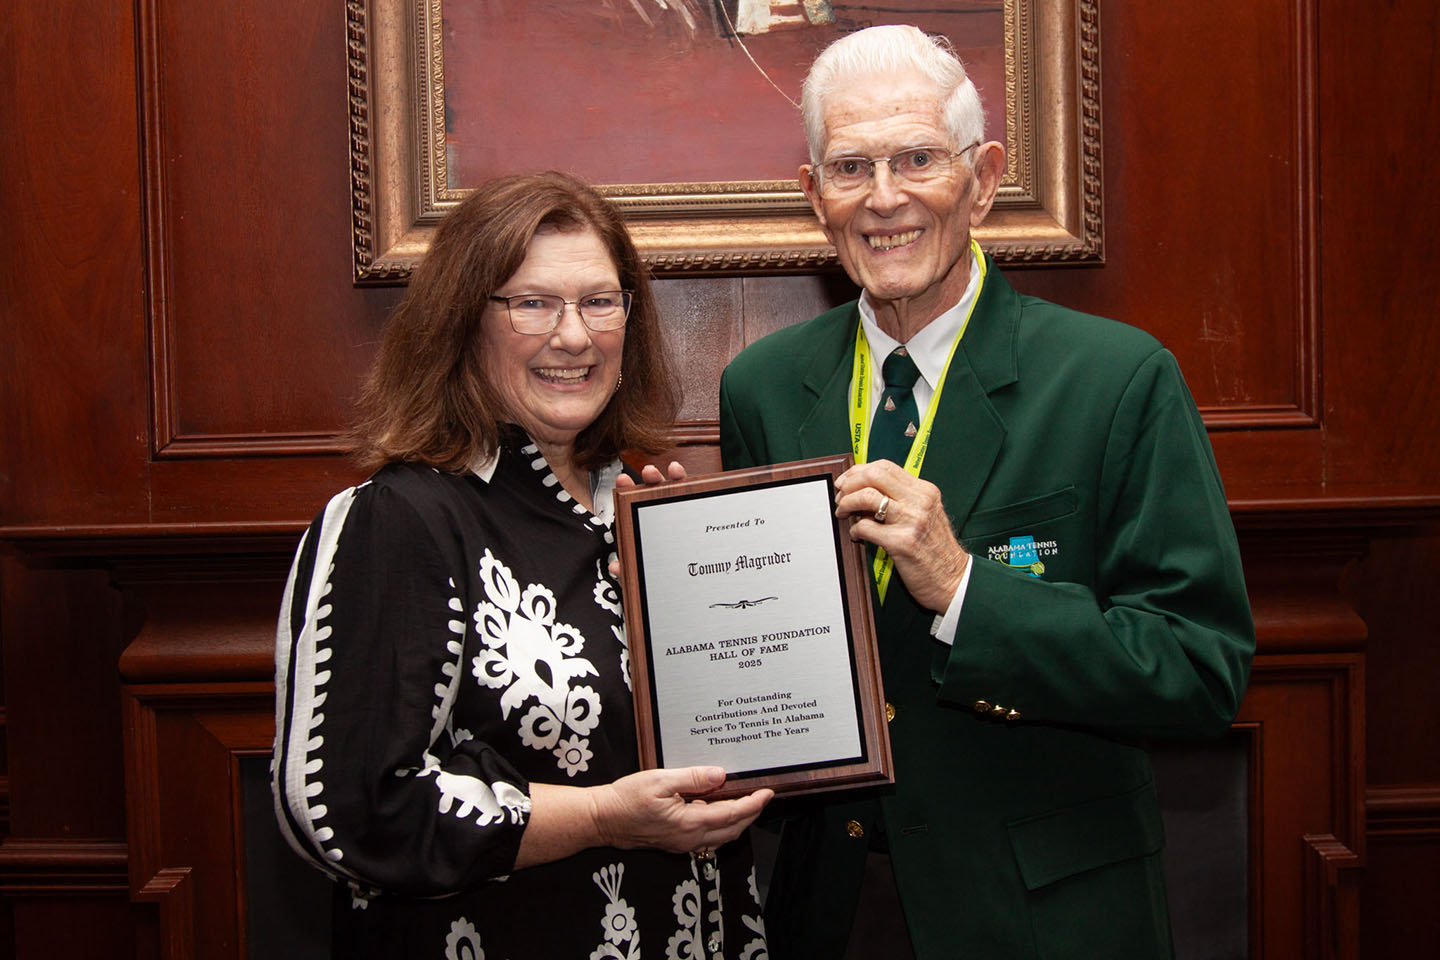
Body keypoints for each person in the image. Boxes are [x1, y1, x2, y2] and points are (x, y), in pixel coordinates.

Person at [718, 25, 1255, 960]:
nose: (884, 198)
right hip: (833, 913)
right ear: (814, 196)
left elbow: (1200, 670)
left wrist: (966, 590)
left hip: (1041, 920)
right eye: (850, 168)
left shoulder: (1116, 379)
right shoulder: (761, 387)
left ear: (983, 179)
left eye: (918, 158)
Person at [273, 171, 772, 958]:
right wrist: (602, 818)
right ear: (463, 323)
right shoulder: (400, 521)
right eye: (533, 303)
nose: (573, 336)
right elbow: (353, 812)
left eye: (599, 302)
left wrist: (710, 606)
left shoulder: (640, 510)